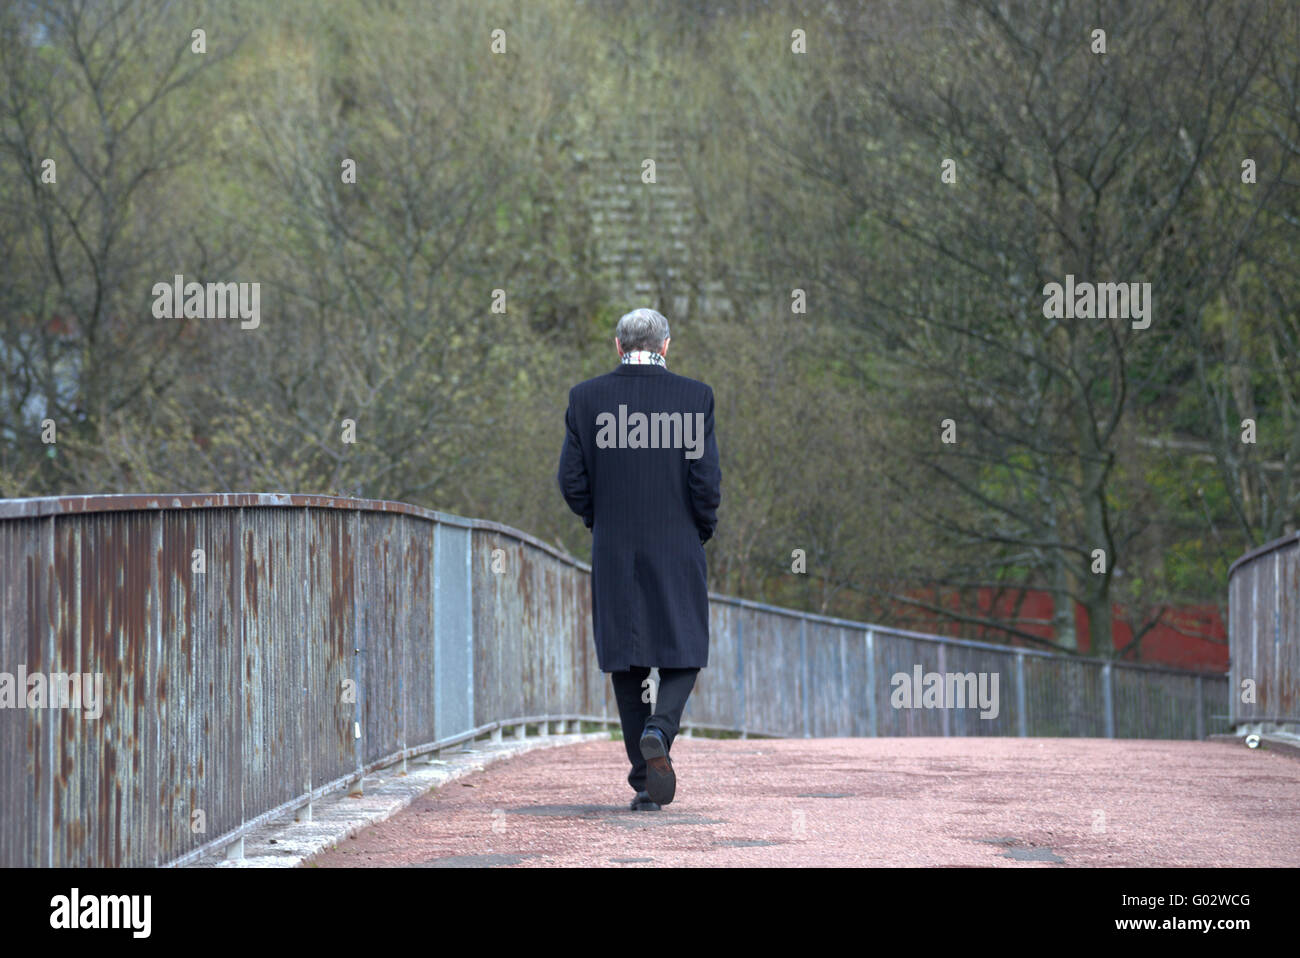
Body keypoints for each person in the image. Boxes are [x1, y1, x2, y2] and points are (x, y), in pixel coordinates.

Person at [557, 307, 721, 810]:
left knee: (627, 665)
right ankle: (660, 728)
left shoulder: (586, 399)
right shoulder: (695, 397)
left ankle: (643, 782)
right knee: (685, 650)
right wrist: (700, 528)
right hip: (677, 544)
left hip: (615, 549)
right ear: (666, 345)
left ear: (617, 345)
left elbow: (571, 480)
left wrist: (600, 521)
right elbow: (705, 482)